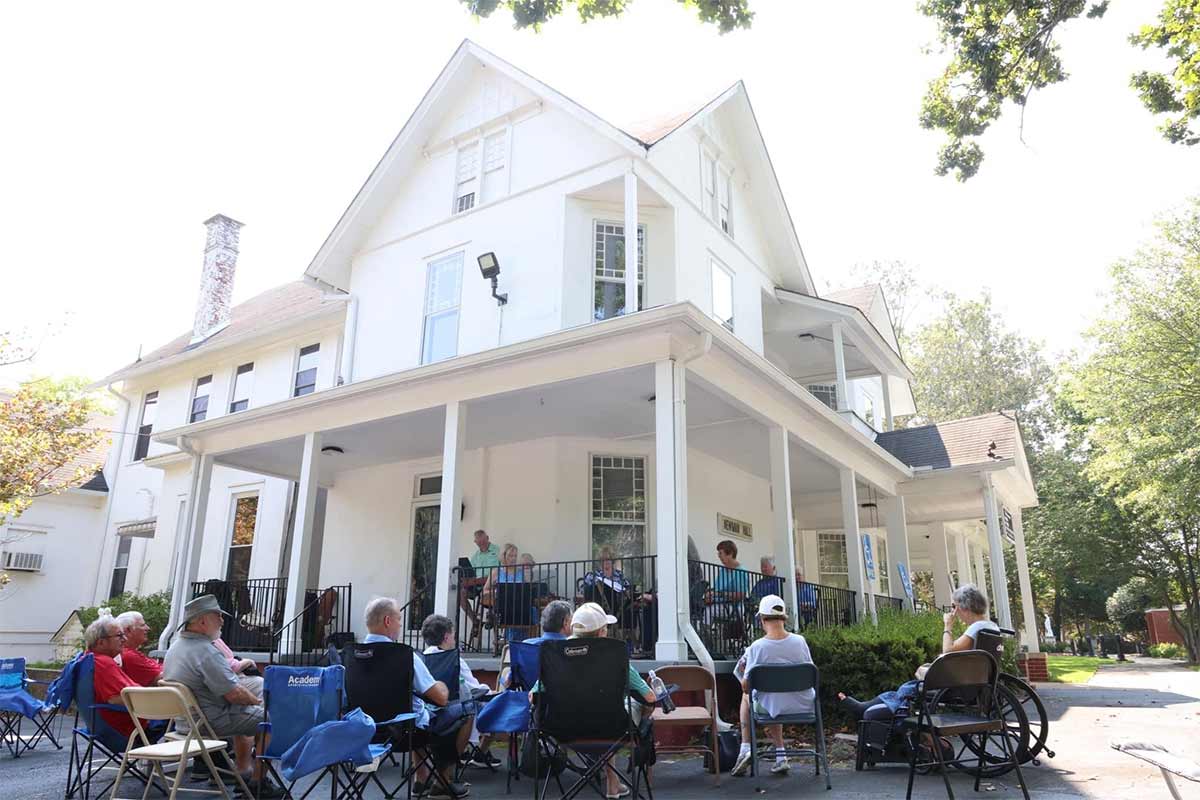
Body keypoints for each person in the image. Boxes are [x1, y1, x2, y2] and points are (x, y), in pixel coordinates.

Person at [530, 603, 656, 799]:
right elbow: (650, 697)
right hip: (611, 727)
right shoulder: (615, 657)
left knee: (602, 709)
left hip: (561, 729)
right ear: (602, 631)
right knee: (620, 708)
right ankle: (618, 780)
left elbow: (533, 696)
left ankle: (613, 785)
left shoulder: (556, 657)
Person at [161, 595, 279, 796]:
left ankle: (243, 772)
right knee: (269, 720)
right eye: (218, 616)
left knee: (247, 711)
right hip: (208, 722)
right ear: (202, 621)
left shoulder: (176, 647)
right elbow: (235, 694)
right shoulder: (205, 651)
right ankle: (258, 785)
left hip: (184, 723)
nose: (222, 621)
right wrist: (258, 703)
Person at [361, 597, 467, 800]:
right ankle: (442, 780)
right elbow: (440, 698)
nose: (401, 624)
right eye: (399, 619)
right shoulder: (404, 655)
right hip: (405, 731)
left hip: (368, 730)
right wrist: (443, 686)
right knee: (465, 709)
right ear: (387, 621)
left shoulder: (353, 655)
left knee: (414, 711)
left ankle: (421, 779)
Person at [730, 595, 815, 778]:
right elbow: (809, 669)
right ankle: (780, 755)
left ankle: (745, 748)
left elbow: (746, 686)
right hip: (804, 703)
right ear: (784, 617)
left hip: (772, 705)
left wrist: (746, 673)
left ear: (762, 619)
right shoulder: (800, 641)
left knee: (749, 697)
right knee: (774, 695)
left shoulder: (757, 647)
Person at [420, 614, 500, 770]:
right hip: (455, 712)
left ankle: (426, 767)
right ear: (446, 637)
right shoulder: (454, 659)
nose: (455, 640)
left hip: (426, 713)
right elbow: (474, 689)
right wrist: (493, 691)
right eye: (454, 636)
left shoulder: (421, 658)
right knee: (495, 704)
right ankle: (479, 753)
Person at [84, 616, 145, 745]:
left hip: (98, 726)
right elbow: (117, 698)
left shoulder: (86, 659)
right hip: (125, 728)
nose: (125, 639)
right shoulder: (103, 663)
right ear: (101, 642)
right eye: (119, 636)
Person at [940, 583, 999, 654]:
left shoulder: (977, 627)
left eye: (954, 606)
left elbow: (947, 652)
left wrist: (947, 626)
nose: (953, 611)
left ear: (965, 607)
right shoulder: (993, 626)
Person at [115, 611, 162, 686]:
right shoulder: (129, 656)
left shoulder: (128, 653)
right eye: (143, 625)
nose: (147, 628)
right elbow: (166, 679)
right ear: (128, 630)